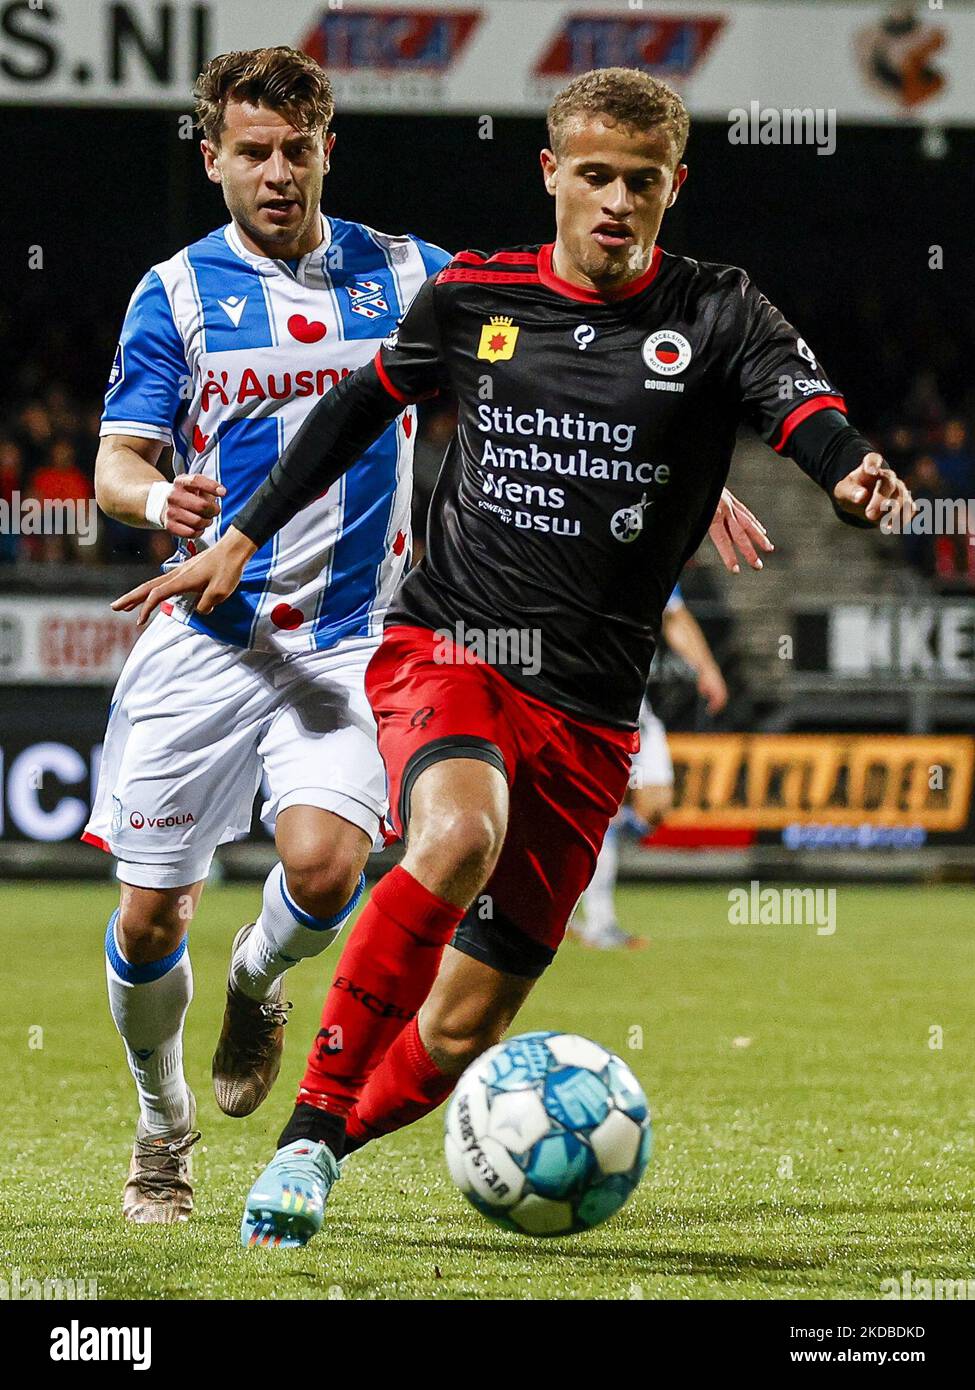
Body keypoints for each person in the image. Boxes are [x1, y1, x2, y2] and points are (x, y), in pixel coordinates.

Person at [114, 66, 913, 1249]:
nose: (615, 201)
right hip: (449, 645)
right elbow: (349, 413)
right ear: (552, 173)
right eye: (592, 174)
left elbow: (801, 404)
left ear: (672, 187)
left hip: (593, 705)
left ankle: (325, 1144)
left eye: (641, 182)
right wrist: (232, 532)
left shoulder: (720, 308)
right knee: (449, 835)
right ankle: (284, 1134)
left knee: (456, 1031)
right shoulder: (475, 294)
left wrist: (845, 471)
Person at [84, 45, 450, 1224]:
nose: (278, 170)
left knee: (325, 864)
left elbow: (546, 345)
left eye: (299, 148)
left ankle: (256, 978)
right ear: (214, 160)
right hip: (206, 637)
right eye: (253, 151)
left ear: (328, 148)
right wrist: (156, 502)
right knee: (149, 920)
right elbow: (113, 465)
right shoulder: (176, 292)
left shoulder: (405, 273)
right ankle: (161, 1125)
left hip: (345, 639)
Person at [572, 583, 730, 949]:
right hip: (591, 703)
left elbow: (674, 615)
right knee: (605, 811)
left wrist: (706, 668)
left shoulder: (650, 551)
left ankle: (572, 879)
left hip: (638, 708)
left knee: (654, 807)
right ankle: (600, 921)